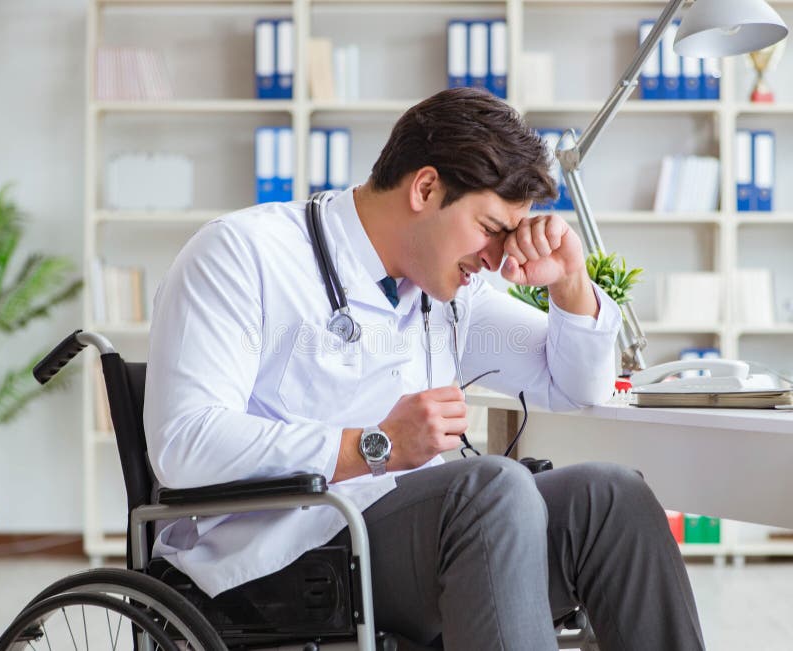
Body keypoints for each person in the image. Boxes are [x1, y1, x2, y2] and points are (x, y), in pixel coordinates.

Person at [144, 87, 704, 650]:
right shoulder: (242, 254)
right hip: (271, 557)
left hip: (415, 539)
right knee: (491, 488)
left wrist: (570, 282)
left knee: (610, 500)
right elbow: (184, 444)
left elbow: (575, 385)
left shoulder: (447, 293)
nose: (497, 257)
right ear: (426, 187)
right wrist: (373, 445)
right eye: (490, 228)